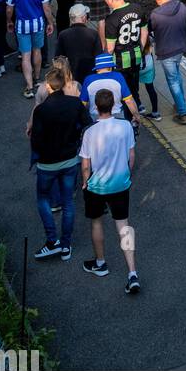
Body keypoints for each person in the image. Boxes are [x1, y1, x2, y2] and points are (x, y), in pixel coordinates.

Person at [79, 87, 139, 292]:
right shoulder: (125, 126)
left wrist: (85, 182)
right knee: (124, 226)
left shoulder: (89, 131)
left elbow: (85, 164)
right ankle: (132, 272)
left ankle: (100, 263)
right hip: (121, 183)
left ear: (96, 107)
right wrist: (128, 174)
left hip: (96, 185)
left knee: (97, 223)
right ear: (114, 105)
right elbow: (131, 156)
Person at [30, 64, 89, 262]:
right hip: (70, 159)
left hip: (47, 163)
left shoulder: (41, 110)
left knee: (43, 198)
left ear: (48, 87)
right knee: (68, 202)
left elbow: (36, 140)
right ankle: (66, 245)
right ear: (64, 84)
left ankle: (51, 241)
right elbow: (87, 123)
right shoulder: (74, 104)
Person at [7, 0, 54, 97]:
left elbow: (9, 9)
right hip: (38, 23)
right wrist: (50, 22)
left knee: (25, 55)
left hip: (22, 25)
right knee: (37, 51)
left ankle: (29, 86)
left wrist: (9, 21)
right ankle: (37, 77)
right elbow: (46, 8)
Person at [148, 0, 186, 124]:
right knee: (177, 77)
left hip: (166, 53)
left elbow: (149, 32)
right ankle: (180, 104)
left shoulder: (155, 15)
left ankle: (183, 113)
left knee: (173, 81)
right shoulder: (182, 7)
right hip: (180, 49)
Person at [103, 0, 147, 106]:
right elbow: (144, 30)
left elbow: (110, 47)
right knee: (134, 84)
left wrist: (106, 63)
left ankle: (130, 112)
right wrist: (141, 47)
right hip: (137, 55)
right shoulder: (138, 8)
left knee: (123, 89)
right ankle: (138, 104)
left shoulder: (111, 19)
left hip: (120, 61)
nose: (105, 1)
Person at [80, 51, 140, 124]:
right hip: (117, 116)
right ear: (110, 67)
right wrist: (136, 115)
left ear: (97, 68)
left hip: (95, 117)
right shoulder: (118, 76)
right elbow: (129, 101)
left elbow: (83, 103)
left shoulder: (88, 79)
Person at [55, 2, 100, 84]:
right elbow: (98, 57)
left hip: (69, 78)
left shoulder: (63, 35)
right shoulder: (93, 34)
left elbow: (58, 59)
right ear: (84, 18)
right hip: (90, 77)